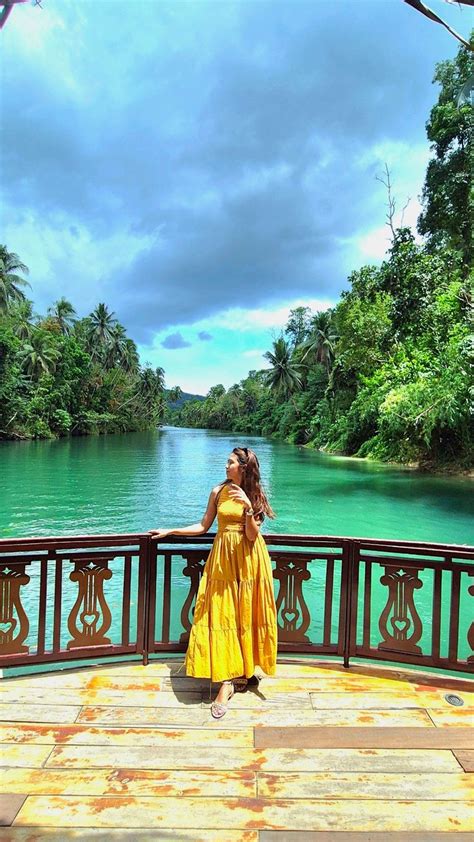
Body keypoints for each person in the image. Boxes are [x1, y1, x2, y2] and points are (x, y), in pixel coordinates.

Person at [149, 446, 278, 719]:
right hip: (222, 559)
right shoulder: (217, 491)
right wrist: (171, 529)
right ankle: (226, 680)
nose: (225, 466)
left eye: (230, 463)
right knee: (220, 614)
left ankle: (241, 670)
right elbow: (203, 525)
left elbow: (253, 536)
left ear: (243, 467)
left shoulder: (253, 495)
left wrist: (246, 505)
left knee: (245, 613)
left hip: (250, 560)